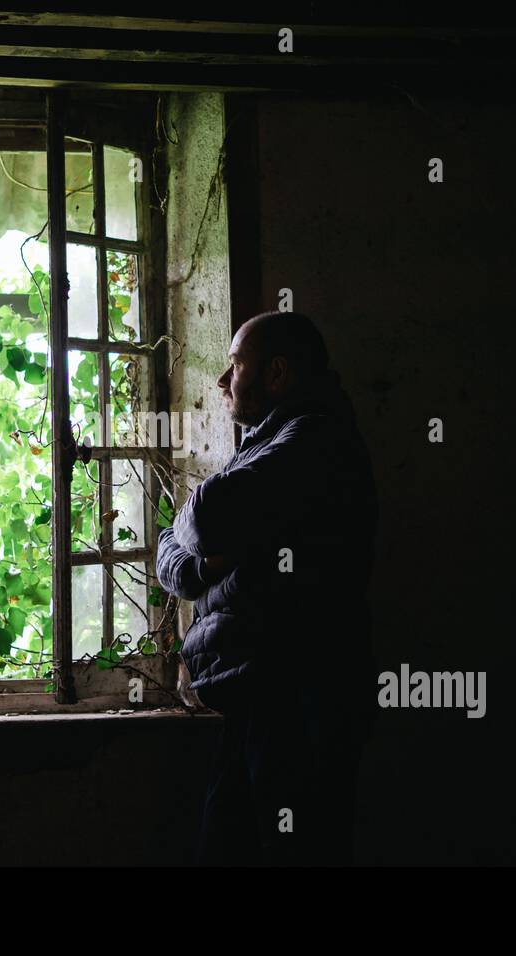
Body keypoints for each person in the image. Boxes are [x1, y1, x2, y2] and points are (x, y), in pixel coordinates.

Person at [156, 310, 379, 866]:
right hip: (261, 693)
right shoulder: (267, 441)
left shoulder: (314, 440)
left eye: (236, 364)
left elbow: (207, 517)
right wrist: (202, 568)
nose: (222, 381)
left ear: (276, 373)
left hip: (301, 694)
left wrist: (199, 532)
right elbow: (173, 547)